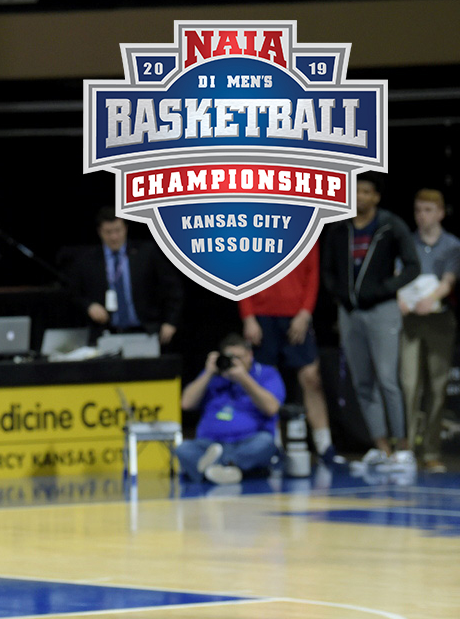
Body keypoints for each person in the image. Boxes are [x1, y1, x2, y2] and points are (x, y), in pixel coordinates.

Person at [320, 174, 420, 467]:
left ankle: (402, 445)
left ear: (376, 197)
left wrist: (384, 290)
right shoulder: (340, 227)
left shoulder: (389, 225)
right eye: (356, 191)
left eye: (366, 192)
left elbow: (412, 266)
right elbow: (328, 268)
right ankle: (380, 446)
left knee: (388, 379)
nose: (360, 197)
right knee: (362, 382)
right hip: (350, 313)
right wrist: (339, 295)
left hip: (382, 310)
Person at [238, 243, 342, 466]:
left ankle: (325, 446)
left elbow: (312, 272)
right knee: (266, 382)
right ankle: (272, 446)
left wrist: (305, 313)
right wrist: (247, 316)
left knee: (311, 378)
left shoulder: (304, 225)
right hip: (262, 315)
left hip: (296, 314)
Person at [399, 189, 460, 473]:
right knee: (410, 384)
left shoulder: (453, 245)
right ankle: (408, 450)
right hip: (410, 320)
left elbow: (449, 280)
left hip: (438, 319)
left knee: (437, 386)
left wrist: (433, 298)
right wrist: (400, 297)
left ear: (440, 213)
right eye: (417, 210)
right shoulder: (406, 242)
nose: (421, 215)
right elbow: (398, 276)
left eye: (427, 210)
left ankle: (432, 450)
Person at [174, 333, 285, 484]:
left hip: (247, 443)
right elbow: (186, 403)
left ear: (250, 355)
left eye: (239, 357)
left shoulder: (266, 373)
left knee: (265, 443)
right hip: (210, 444)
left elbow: (272, 408)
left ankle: (214, 468)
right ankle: (228, 470)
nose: (234, 362)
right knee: (183, 448)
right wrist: (208, 372)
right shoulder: (214, 374)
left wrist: (243, 378)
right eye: (230, 357)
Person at [66, 207, 183, 346]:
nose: (114, 237)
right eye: (108, 232)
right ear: (99, 232)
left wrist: (170, 322)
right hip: (105, 332)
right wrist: (89, 306)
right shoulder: (87, 260)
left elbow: (173, 288)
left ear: (125, 228)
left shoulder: (146, 253)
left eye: (117, 230)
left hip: (145, 330)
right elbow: (72, 293)